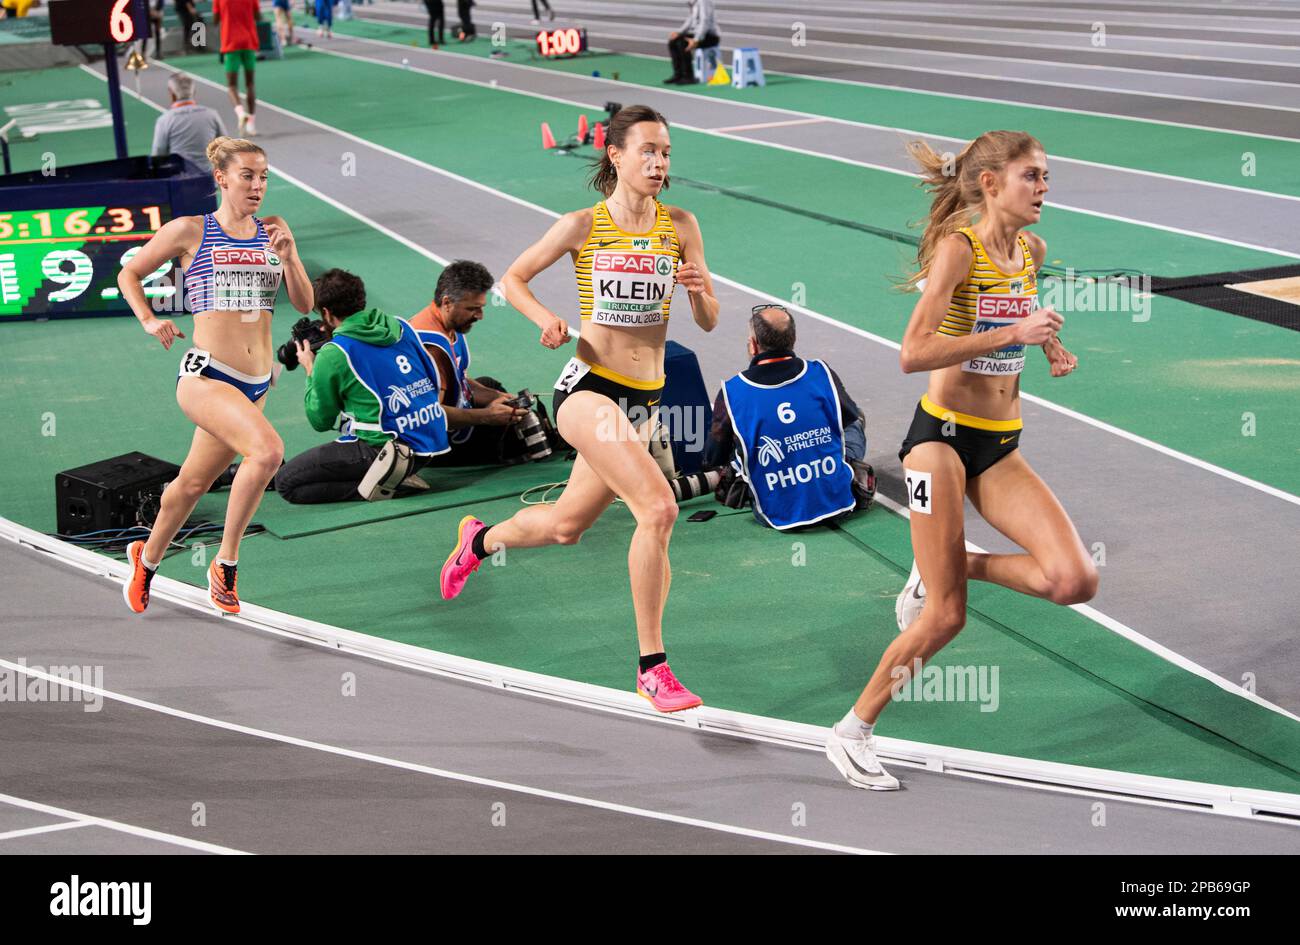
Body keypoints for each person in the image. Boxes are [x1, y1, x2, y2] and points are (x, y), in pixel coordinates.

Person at [825, 131, 1096, 791]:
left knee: (1074, 580)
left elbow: (1018, 317)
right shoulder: (958, 250)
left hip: (998, 442)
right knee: (948, 615)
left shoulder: (1032, 250)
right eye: (1032, 175)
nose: (1044, 188)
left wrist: (1050, 349)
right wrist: (1014, 334)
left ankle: (945, 564)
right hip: (939, 440)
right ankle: (851, 731)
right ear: (990, 183)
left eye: (1047, 175)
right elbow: (912, 353)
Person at [438, 104, 720, 713]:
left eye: (666, 152)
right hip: (589, 390)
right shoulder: (582, 226)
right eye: (647, 150)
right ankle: (652, 668)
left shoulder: (681, 224)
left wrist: (699, 295)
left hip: (644, 402)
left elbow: (709, 318)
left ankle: (478, 542)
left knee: (567, 527)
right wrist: (545, 319)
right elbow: (513, 279)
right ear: (615, 155)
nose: (659, 162)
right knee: (659, 507)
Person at [118, 136, 313, 616]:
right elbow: (130, 274)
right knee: (267, 452)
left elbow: (306, 305)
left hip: (256, 383)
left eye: (264, 176)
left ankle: (148, 557)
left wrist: (288, 257)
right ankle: (225, 565)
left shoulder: (274, 228)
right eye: (247, 175)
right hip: (206, 378)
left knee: (191, 485)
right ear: (222, 178)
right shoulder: (190, 230)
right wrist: (149, 319)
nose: (258, 185)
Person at [275, 269, 454, 504]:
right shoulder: (400, 326)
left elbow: (320, 420)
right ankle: (395, 476)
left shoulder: (335, 353)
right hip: (431, 441)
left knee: (287, 483)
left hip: (389, 452)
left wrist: (310, 369)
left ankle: (388, 483)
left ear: (327, 313)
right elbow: (433, 380)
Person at [706, 304, 872, 529]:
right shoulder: (821, 372)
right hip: (838, 501)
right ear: (793, 340)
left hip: (774, 513)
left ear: (754, 345)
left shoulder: (731, 392)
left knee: (740, 442)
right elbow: (848, 418)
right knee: (854, 420)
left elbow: (713, 457)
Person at [409, 260, 540, 467]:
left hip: (444, 415)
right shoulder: (433, 350)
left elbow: (457, 380)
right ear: (447, 302)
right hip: (433, 443)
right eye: (472, 309)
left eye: (480, 307)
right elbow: (431, 415)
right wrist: (486, 417)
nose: (480, 315)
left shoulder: (447, 324)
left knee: (493, 388)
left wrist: (499, 398)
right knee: (519, 439)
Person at [151, 73, 226, 170]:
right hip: (209, 180)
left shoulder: (165, 120)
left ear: (171, 93)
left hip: (180, 181)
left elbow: (158, 157)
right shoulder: (212, 115)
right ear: (194, 92)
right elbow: (226, 148)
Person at [212, 0, 261, 135]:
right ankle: (251, 124)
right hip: (249, 42)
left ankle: (240, 113)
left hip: (231, 43)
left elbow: (215, 20)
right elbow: (258, 16)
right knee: (250, 83)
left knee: (232, 86)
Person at [665, 0, 719, 85]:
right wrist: (679, 32)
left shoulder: (703, 1)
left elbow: (705, 21)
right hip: (697, 34)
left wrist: (696, 39)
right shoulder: (693, 2)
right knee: (673, 42)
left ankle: (688, 77)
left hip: (709, 36)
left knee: (682, 43)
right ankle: (678, 74)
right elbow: (690, 19)